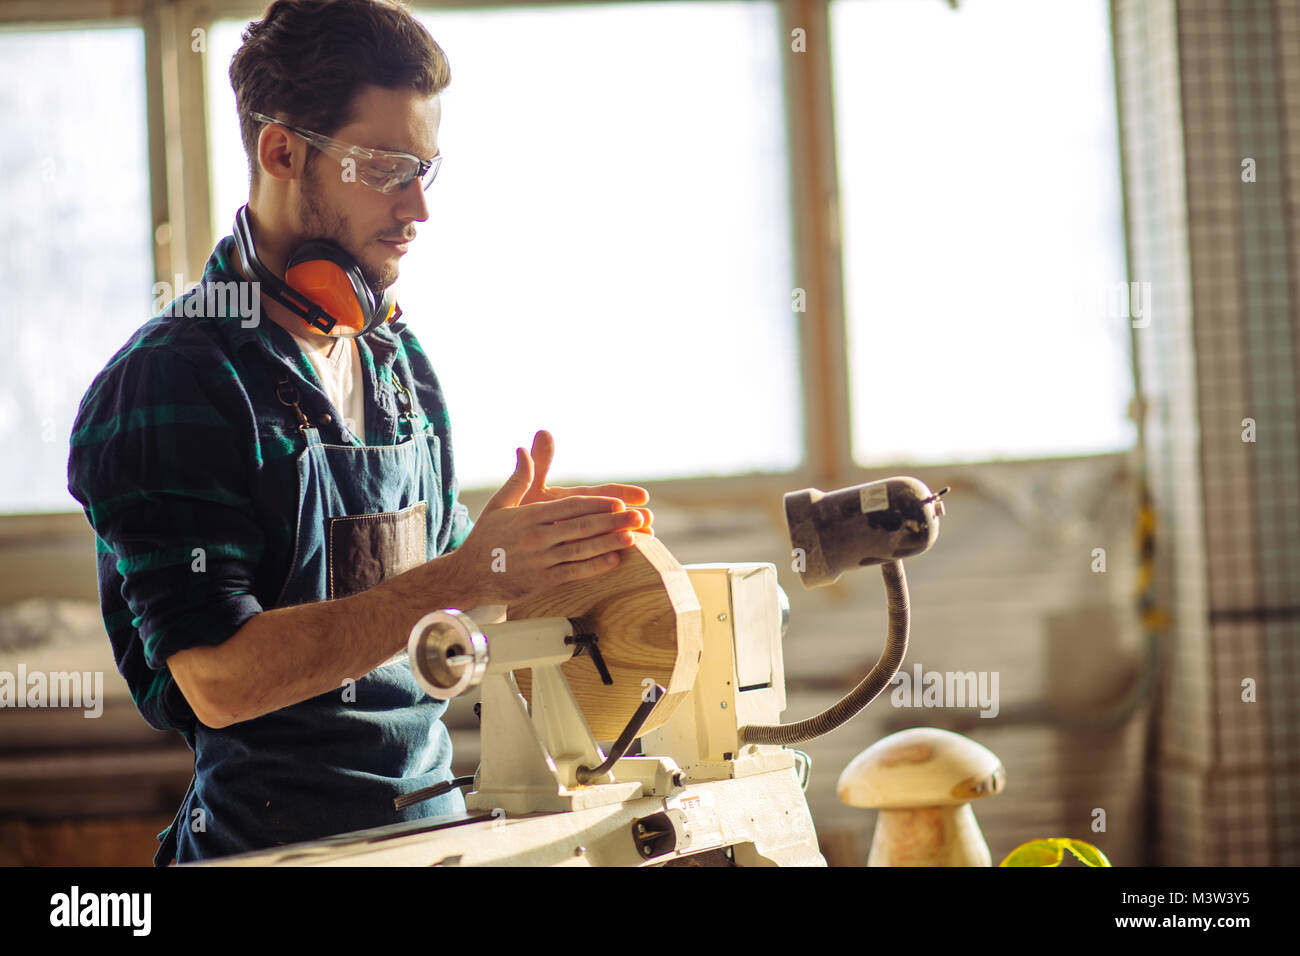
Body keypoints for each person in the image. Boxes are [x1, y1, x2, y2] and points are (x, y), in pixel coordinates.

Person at [67, 0, 651, 865]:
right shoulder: (173, 380)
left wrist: (542, 567)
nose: (419, 207)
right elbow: (220, 680)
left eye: (427, 169)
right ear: (281, 150)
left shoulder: (397, 363)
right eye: (385, 167)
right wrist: (468, 570)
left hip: (432, 832)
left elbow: (438, 614)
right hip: (266, 849)